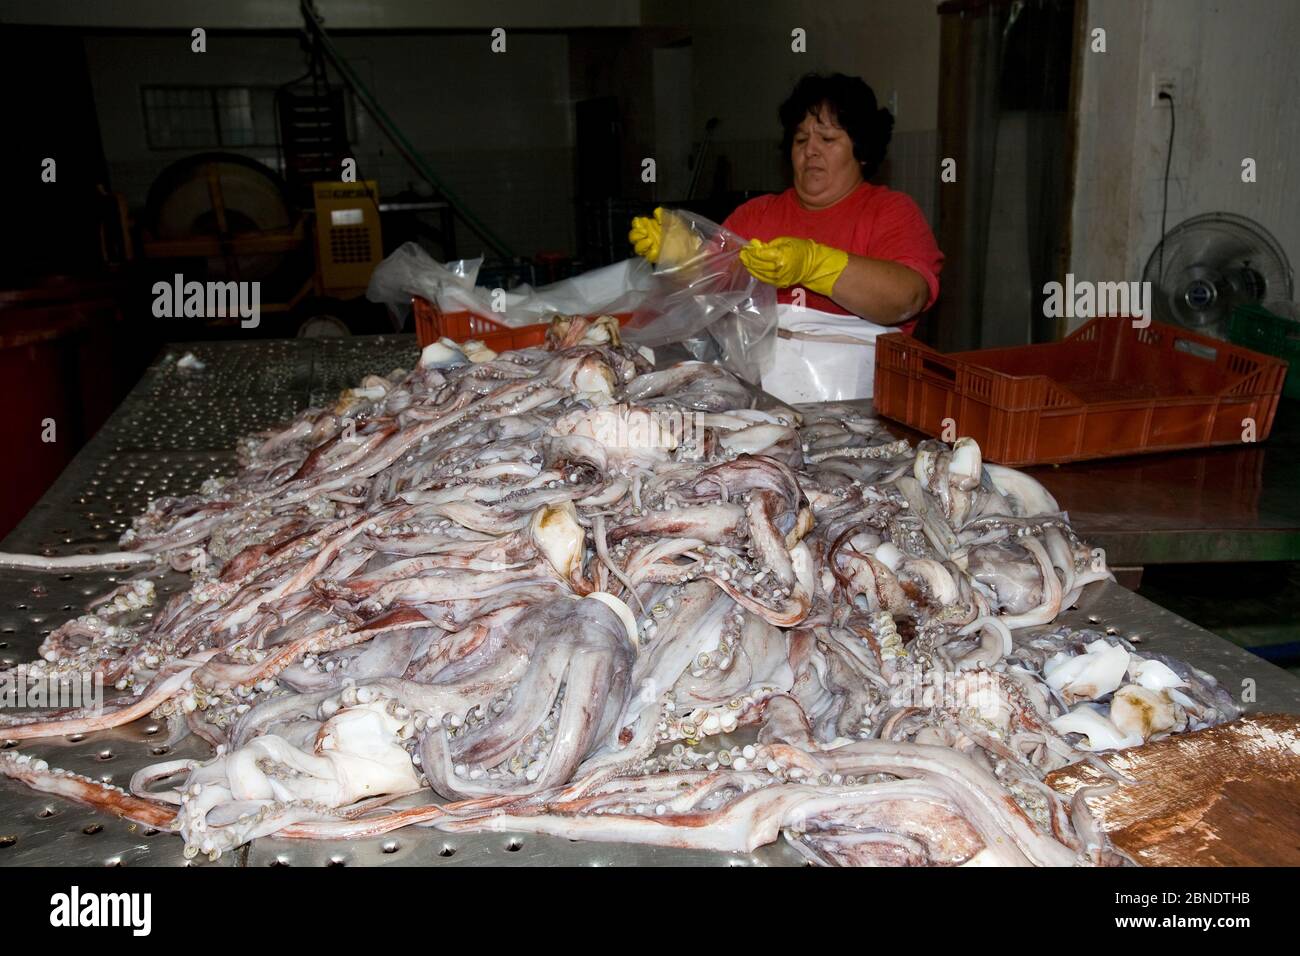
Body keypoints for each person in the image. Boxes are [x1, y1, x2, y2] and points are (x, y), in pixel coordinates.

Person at [629, 72, 943, 335]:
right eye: (801, 139)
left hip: (858, 394)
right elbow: (710, 296)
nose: (811, 151)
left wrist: (816, 264)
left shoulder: (890, 211)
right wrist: (685, 260)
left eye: (828, 139)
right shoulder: (756, 215)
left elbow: (908, 297)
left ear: (862, 151)